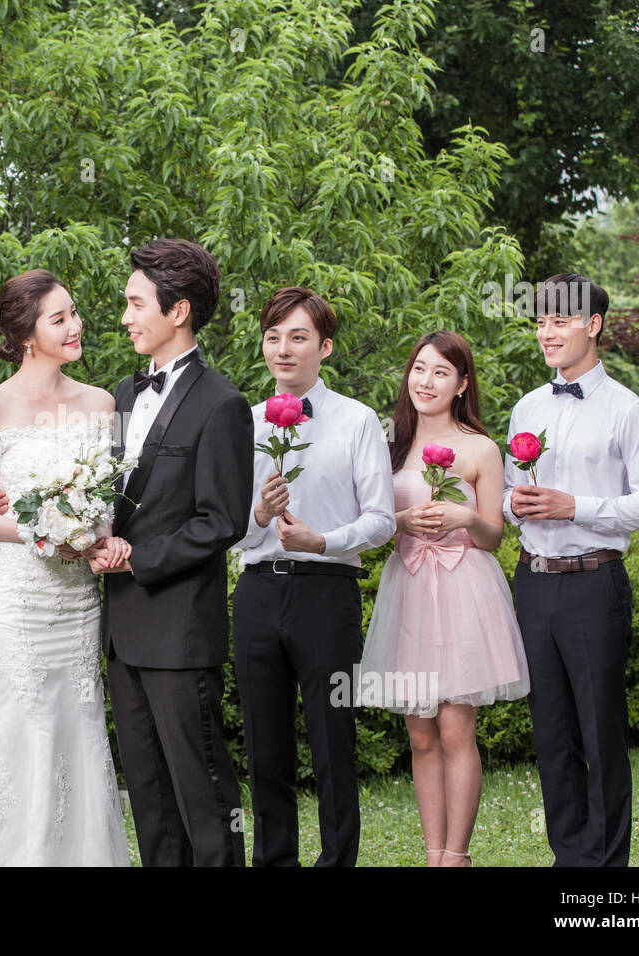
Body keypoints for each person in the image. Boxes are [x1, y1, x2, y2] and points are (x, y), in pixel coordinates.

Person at [0, 269, 131, 866]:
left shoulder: (101, 404)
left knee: (78, 724)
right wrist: (37, 532)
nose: (76, 326)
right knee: (21, 727)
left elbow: (106, 504)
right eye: (60, 319)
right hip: (16, 597)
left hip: (77, 598)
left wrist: (98, 540)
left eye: (74, 313)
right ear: (27, 334)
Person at [87, 239, 252, 867]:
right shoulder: (125, 396)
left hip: (180, 629)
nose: (125, 317)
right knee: (150, 797)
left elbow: (222, 522)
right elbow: (118, 497)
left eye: (135, 304)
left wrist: (137, 559)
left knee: (203, 791)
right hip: (123, 631)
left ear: (177, 310)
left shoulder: (223, 404)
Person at [504, 274, 639, 867]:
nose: (547, 332)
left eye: (560, 321)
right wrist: (514, 504)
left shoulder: (629, 411)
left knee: (600, 736)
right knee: (550, 736)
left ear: (593, 325)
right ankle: (569, 861)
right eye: (541, 321)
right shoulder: (526, 407)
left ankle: (605, 875)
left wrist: (579, 506)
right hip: (533, 580)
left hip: (594, 584)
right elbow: (506, 495)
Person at [230, 287, 394, 867]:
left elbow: (381, 520)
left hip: (328, 593)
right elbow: (230, 530)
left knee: (332, 742)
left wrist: (322, 541)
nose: (283, 349)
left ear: (324, 346)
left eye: (298, 337)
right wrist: (258, 517)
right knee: (264, 746)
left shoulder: (357, 420)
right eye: (273, 337)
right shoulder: (243, 424)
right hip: (256, 591)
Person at [360, 330, 530, 867]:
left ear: (460, 384)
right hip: (408, 588)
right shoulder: (389, 444)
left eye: (440, 372)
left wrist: (465, 517)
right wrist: (401, 521)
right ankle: (432, 852)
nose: (425, 381)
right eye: (419, 368)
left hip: (461, 587)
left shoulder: (481, 448)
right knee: (420, 733)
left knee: (457, 728)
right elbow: (370, 527)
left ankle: (456, 855)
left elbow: (495, 537)